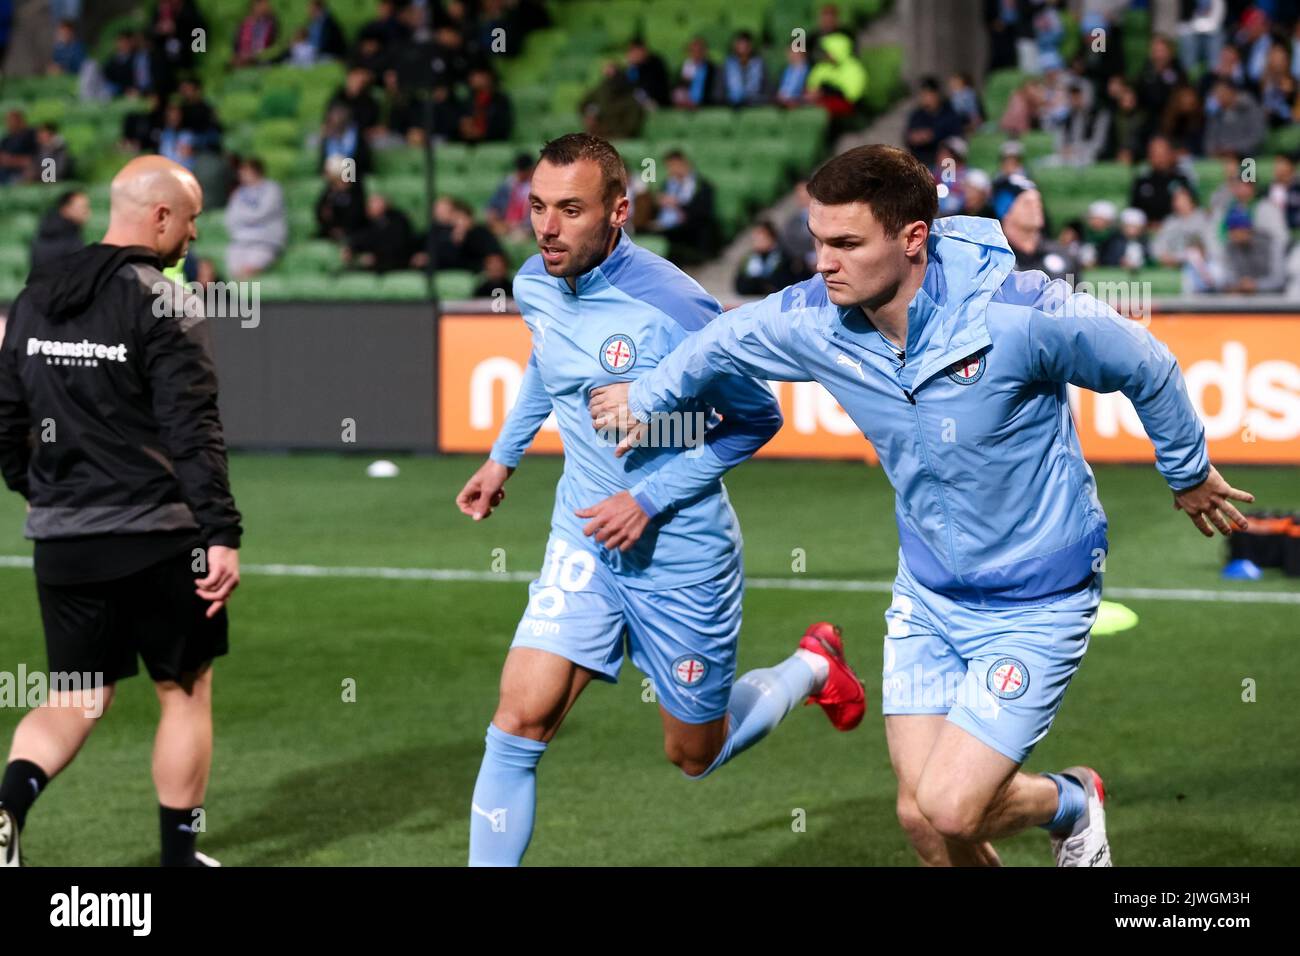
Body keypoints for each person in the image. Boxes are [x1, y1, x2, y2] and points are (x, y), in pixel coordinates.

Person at [588, 144, 1254, 867]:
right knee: (922, 820)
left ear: (912, 240)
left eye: (846, 244)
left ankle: (1069, 800)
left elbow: (1147, 364)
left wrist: (1186, 472)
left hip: (1038, 600)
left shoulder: (1020, 314)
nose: (823, 263)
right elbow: (723, 339)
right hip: (928, 596)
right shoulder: (816, 318)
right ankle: (1060, 809)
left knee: (950, 806)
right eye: (817, 242)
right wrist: (647, 396)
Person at [457, 133, 864, 867]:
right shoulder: (535, 282)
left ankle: (811, 667)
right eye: (538, 207)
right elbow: (549, 363)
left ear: (619, 210)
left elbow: (757, 417)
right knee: (517, 723)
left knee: (693, 754)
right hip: (583, 535)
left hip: (680, 556)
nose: (546, 228)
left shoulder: (676, 306)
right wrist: (502, 457)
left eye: (570, 210)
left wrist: (646, 498)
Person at [0, 156, 243, 868]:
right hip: (158, 539)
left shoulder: (38, 294)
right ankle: (178, 859)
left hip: (63, 542)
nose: (195, 233)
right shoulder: (165, 302)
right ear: (160, 216)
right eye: (191, 217)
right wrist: (221, 532)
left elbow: (6, 417)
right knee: (184, 693)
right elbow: (193, 429)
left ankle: (6, 812)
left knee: (76, 695)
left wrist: (41, 489)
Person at [223, 156, 287, 279]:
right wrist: (248, 215)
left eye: (244, 170)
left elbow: (261, 213)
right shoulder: (238, 193)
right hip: (241, 241)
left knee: (249, 270)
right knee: (233, 270)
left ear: (255, 171)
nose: (240, 174)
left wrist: (243, 215)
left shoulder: (272, 189)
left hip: (265, 241)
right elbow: (230, 217)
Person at [30, 189, 90, 270]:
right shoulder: (66, 237)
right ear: (66, 208)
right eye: (82, 207)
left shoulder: (46, 229)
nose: (87, 212)